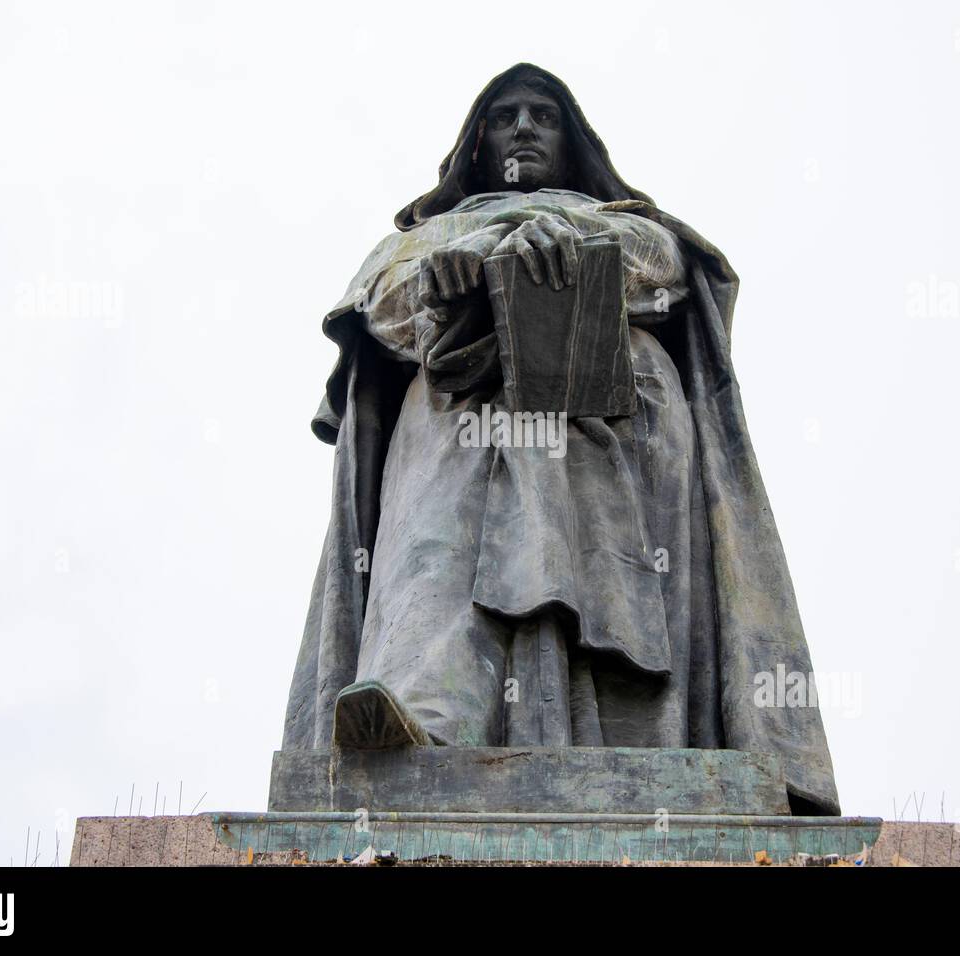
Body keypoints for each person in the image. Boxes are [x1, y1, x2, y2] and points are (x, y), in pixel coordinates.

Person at [279, 63, 840, 815]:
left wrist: (576, 237)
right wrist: (450, 280)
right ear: (476, 144)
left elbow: (670, 272)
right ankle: (421, 719)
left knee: (625, 577)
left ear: (571, 140)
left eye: (542, 115)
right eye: (505, 115)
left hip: (617, 417)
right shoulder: (427, 233)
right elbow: (379, 309)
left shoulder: (624, 217)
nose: (522, 127)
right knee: (435, 552)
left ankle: (656, 754)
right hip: (460, 411)